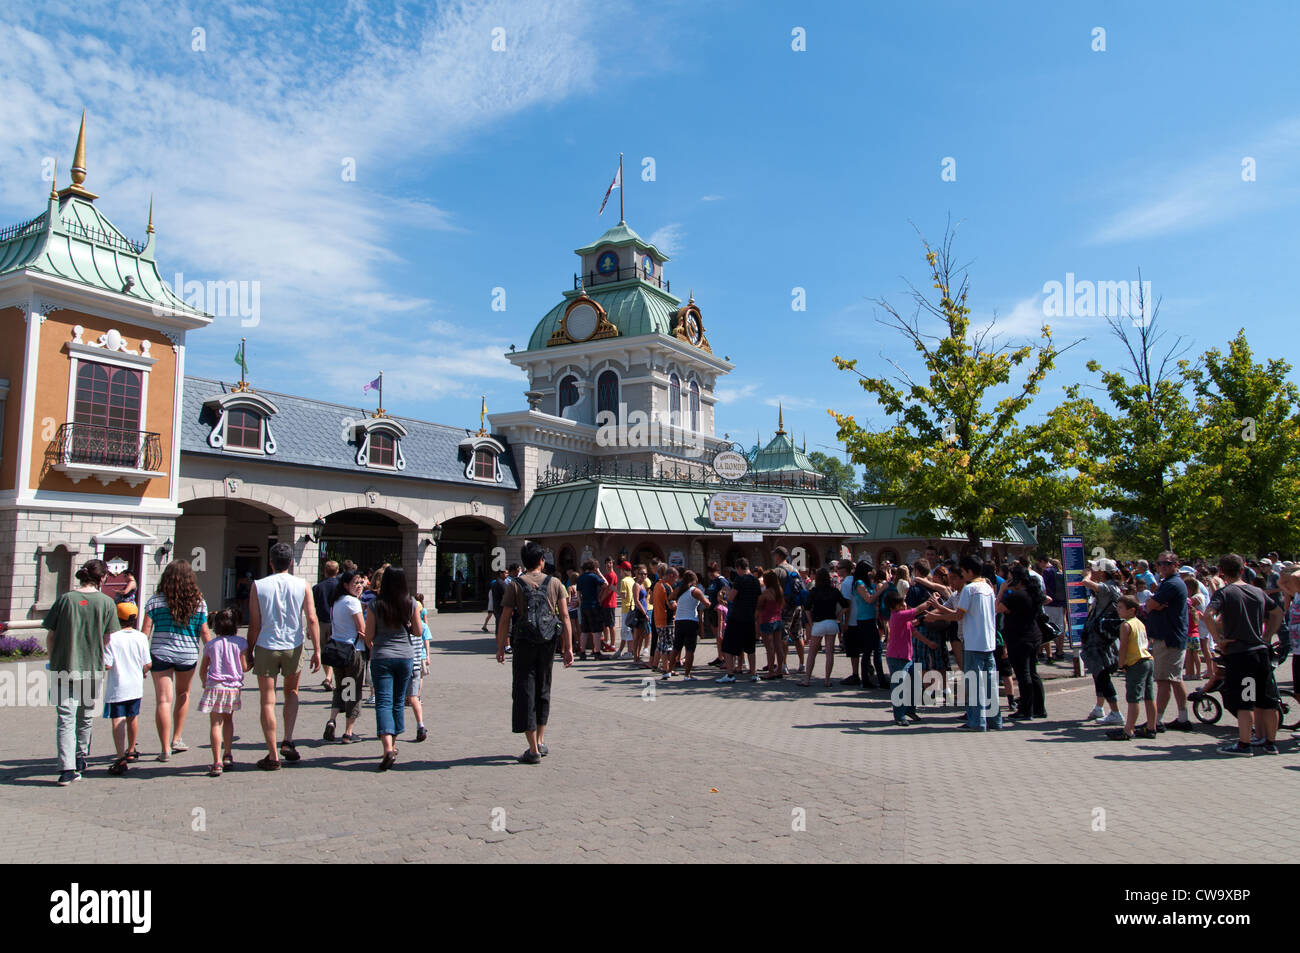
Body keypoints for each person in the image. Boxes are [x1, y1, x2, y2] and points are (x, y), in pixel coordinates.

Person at [43, 559, 119, 785]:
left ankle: (67, 769)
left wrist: (52, 658)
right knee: (85, 716)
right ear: (102, 578)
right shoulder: (106, 603)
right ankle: (80, 756)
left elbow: (51, 634)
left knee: (65, 717)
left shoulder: (65, 599)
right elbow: (107, 638)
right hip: (91, 666)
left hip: (64, 666)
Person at [497, 541, 573, 764]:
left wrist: (501, 646)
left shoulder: (515, 584)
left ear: (524, 562)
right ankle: (540, 740)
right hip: (548, 641)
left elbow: (504, 618)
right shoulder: (555, 582)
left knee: (524, 689)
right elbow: (565, 616)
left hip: (524, 642)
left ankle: (532, 748)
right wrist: (568, 648)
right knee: (543, 686)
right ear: (541, 561)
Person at [246, 542, 320, 770]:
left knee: (267, 698)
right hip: (294, 645)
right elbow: (312, 618)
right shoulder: (303, 584)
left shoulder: (258, 586)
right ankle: (287, 739)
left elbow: (255, 623)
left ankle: (272, 754)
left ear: (270, 562)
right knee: (292, 692)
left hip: (267, 645)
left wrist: (249, 650)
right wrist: (317, 649)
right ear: (291, 562)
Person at [1201, 554, 1283, 756]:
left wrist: (1218, 639)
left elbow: (1208, 614)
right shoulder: (1257, 591)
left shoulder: (1225, 593)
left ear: (1221, 571)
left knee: (1245, 701)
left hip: (1240, 653)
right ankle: (1270, 742)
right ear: (1243, 567)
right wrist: (1267, 635)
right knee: (1268, 700)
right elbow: (1278, 612)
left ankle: (1244, 744)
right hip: (1261, 652)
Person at [142, 559, 211, 761]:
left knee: (163, 699)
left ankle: (164, 749)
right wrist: (214, 654)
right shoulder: (199, 602)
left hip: (160, 653)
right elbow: (205, 633)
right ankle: (177, 738)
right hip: (187, 654)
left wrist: (141, 658)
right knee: (183, 694)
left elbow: (145, 632)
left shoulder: (155, 600)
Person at [929, 555, 1002, 731]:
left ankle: (976, 721)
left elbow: (958, 615)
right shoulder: (988, 587)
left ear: (969, 571)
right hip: (988, 642)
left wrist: (936, 615)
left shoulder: (970, 589)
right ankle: (995, 720)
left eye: (962, 571)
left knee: (975, 684)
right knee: (990, 683)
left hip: (973, 643)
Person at [364, 566, 421, 771]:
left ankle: (387, 746)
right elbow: (418, 631)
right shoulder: (411, 603)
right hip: (405, 656)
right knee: (398, 701)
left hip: (381, 657)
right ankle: (394, 744)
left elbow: (368, 635)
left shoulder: (374, 605)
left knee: (383, 701)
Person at [1144, 551, 1192, 732]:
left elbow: (1150, 605)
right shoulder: (1168, 583)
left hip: (1168, 638)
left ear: (1175, 565)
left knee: (1164, 680)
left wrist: (1154, 603)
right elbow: (1152, 603)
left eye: (1167, 563)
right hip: (1172, 636)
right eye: (1159, 563)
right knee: (1175, 678)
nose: (1163, 566)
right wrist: (1154, 603)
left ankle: (1156, 721)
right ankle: (1183, 717)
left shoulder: (1172, 584)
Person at [198, 609, 249, 776]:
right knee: (228, 720)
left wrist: (204, 682)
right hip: (233, 687)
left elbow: (203, 668)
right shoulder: (241, 643)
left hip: (214, 685)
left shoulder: (211, 644)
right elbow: (244, 667)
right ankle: (228, 753)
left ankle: (216, 761)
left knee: (215, 723)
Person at [103, 603, 150, 776]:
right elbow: (148, 663)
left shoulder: (111, 637)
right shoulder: (141, 637)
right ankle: (131, 749)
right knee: (133, 717)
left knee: (117, 719)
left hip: (118, 686)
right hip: (136, 685)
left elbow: (107, 665)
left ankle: (120, 756)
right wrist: (142, 671)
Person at [323, 570, 366, 744]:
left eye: (360, 583)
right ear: (345, 585)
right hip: (353, 651)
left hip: (336, 650)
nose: (359, 586)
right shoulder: (353, 603)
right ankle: (348, 731)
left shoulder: (337, 601)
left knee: (341, 688)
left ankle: (332, 719)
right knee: (353, 690)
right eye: (355, 583)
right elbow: (361, 629)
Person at [1106, 595, 1158, 740]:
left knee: (1133, 697)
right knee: (1149, 695)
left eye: (1121, 608)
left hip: (1136, 662)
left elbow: (1123, 647)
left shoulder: (1126, 625)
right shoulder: (1140, 623)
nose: (1118, 610)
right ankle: (1151, 727)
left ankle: (1128, 729)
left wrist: (1121, 664)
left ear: (1132, 610)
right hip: (1147, 659)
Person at [999, 565, 1046, 720]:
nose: (1008, 580)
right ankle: (1039, 708)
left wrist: (1002, 590)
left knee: (1023, 674)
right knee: (1033, 672)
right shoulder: (1034, 593)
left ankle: (1026, 709)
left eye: (1010, 577)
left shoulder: (1016, 595)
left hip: (1019, 638)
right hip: (1034, 636)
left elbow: (997, 607)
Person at [1080, 559, 1125, 724]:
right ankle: (1099, 707)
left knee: (1102, 674)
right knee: (1098, 673)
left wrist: (1087, 576)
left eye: (1095, 569)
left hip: (1101, 640)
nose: (1092, 570)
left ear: (1102, 572)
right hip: (1099, 636)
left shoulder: (1109, 588)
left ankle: (1116, 711)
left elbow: (1086, 582)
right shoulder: (1111, 587)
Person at [801, 567, 849, 688]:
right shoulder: (834, 591)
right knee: (829, 653)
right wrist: (839, 615)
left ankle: (807, 679)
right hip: (832, 622)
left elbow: (806, 608)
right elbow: (845, 605)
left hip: (818, 623)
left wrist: (811, 623)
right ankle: (827, 680)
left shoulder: (814, 591)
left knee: (812, 653)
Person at [719, 558, 760, 683]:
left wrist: (726, 592)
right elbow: (758, 599)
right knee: (750, 647)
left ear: (738, 568)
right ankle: (754, 674)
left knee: (728, 646)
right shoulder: (755, 580)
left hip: (736, 617)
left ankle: (730, 675)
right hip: (750, 617)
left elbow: (731, 598)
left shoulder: (739, 579)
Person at [665, 569, 709, 681]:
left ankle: (668, 671)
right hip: (691, 621)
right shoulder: (695, 591)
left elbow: (670, 598)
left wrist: (673, 604)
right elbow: (707, 604)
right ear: (694, 580)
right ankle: (687, 674)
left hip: (679, 620)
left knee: (676, 647)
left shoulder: (679, 589)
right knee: (690, 649)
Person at [406, 593, 432, 743]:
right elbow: (425, 642)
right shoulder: (421, 627)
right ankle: (420, 725)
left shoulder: (401, 626)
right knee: (414, 697)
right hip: (415, 663)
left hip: (403, 663)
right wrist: (427, 656)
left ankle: (389, 731)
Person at [312, 560, 340, 691]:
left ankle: (328, 676)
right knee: (336, 650)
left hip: (322, 622)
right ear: (337, 571)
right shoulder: (341, 586)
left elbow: (312, 608)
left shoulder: (317, 587)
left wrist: (309, 628)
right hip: (337, 623)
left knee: (323, 651)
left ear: (325, 571)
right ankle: (330, 677)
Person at [575, 559, 607, 660]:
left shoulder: (580, 577)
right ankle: (597, 652)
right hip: (593, 605)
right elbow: (606, 584)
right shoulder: (593, 576)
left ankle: (582, 652)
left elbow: (578, 592)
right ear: (594, 567)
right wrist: (599, 572)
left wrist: (581, 603)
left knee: (584, 630)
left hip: (584, 606)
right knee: (596, 630)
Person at [756, 571, 785, 680]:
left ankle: (771, 671)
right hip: (778, 620)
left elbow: (759, 607)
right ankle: (779, 669)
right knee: (778, 646)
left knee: (770, 648)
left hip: (767, 620)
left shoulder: (766, 593)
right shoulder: (779, 591)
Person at [616, 562, 637, 660]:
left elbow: (624, 596)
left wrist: (615, 590)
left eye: (621, 569)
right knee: (629, 630)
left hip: (626, 608)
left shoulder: (624, 581)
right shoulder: (632, 580)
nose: (620, 571)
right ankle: (627, 650)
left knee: (626, 630)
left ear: (624, 570)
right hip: (632, 607)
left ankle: (629, 651)